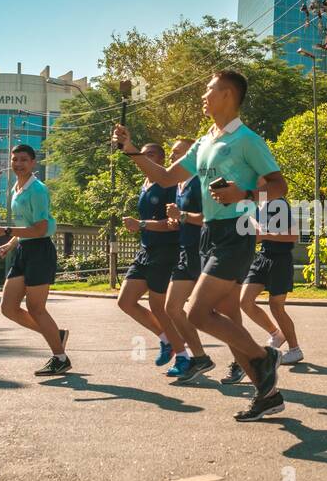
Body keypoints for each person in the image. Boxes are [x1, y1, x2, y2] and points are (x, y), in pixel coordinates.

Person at [113, 70, 287, 421]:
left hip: (236, 231)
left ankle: (264, 357)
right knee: (225, 320)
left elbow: (280, 186)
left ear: (227, 95)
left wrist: (246, 193)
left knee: (195, 312)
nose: (203, 96)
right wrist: (131, 149)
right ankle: (268, 394)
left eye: (209, 90)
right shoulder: (205, 141)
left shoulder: (248, 140)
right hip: (209, 233)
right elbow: (163, 176)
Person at [0, 143, 71, 376]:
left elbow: (40, 228)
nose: (18, 164)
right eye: (15, 160)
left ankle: (60, 358)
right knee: (8, 308)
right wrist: (10, 244)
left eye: (23, 160)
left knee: (35, 308)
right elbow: (24, 226)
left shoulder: (38, 189)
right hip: (23, 250)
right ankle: (56, 335)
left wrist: (5, 230)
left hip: (40, 251)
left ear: (33, 163)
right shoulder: (17, 188)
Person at [117, 142, 184, 370]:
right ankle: (167, 340)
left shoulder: (169, 185)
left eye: (152, 155)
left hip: (166, 251)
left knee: (160, 307)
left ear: (162, 160)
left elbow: (174, 225)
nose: (146, 158)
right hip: (146, 250)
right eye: (143, 155)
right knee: (125, 301)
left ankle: (183, 355)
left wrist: (141, 224)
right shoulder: (145, 184)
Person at [162, 138, 218, 383]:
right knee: (173, 308)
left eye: (177, 153)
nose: (172, 157)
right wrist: (177, 220)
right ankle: (200, 357)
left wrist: (182, 215)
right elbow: (185, 219)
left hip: (202, 250)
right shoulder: (179, 184)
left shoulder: (200, 181)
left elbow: (209, 217)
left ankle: (245, 357)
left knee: (215, 310)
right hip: (185, 250)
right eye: (172, 153)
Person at [239, 188, 303, 365]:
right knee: (244, 301)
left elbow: (293, 236)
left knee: (276, 307)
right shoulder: (258, 205)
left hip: (280, 259)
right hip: (263, 257)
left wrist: (264, 234)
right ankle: (276, 334)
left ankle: (295, 349)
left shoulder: (278, 203)